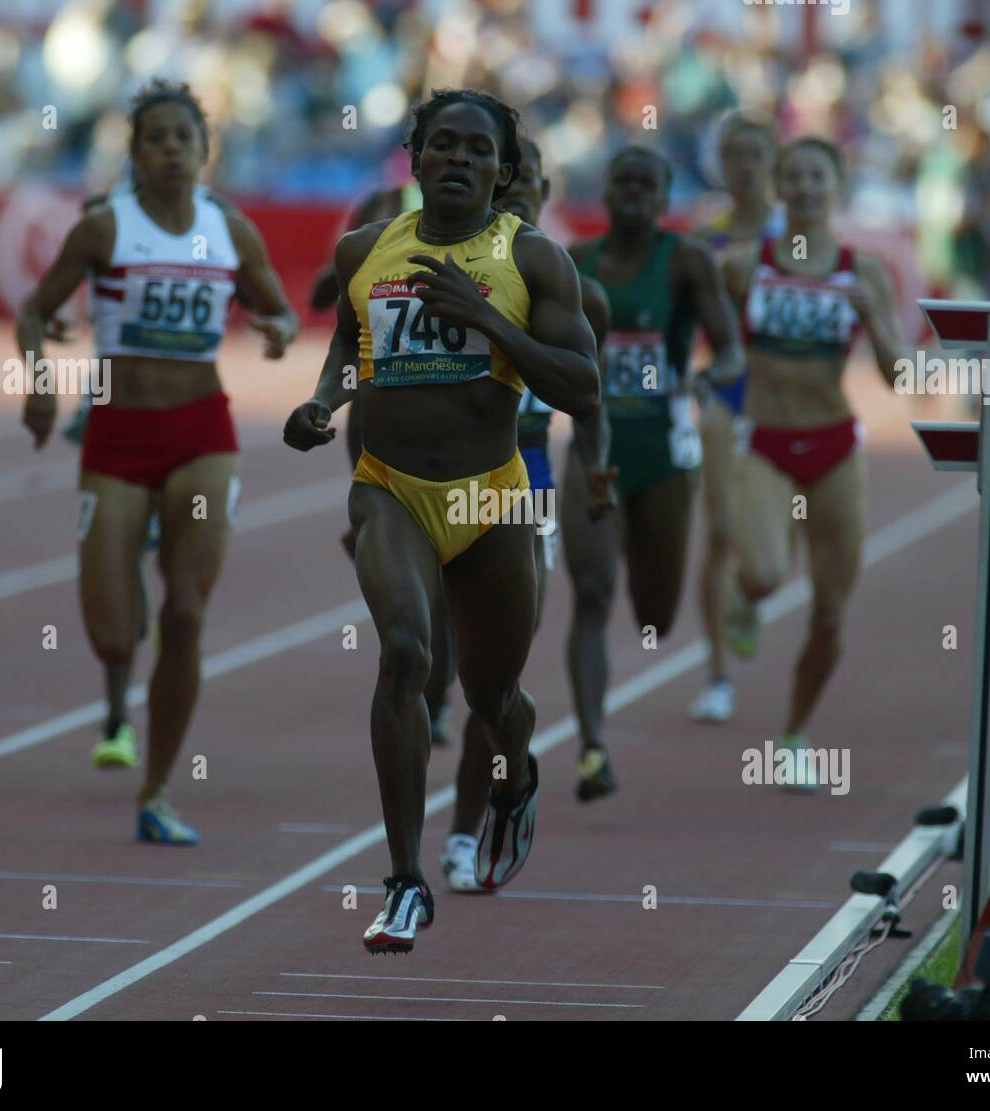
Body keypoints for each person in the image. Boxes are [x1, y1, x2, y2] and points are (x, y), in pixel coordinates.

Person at [285, 89, 600, 952]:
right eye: (444, 145)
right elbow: (349, 351)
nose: (460, 159)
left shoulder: (534, 260)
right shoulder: (364, 249)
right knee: (409, 657)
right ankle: (405, 879)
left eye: (478, 150)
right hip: (387, 486)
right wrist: (320, 406)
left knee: (493, 696)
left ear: (503, 173)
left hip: (489, 493)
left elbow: (582, 387)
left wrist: (486, 318)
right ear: (415, 159)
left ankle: (518, 764)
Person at [18, 79, 298, 841]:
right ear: (135, 155)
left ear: (206, 153)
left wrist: (277, 329)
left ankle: (159, 789)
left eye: (186, 138)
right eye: (157, 139)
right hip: (116, 434)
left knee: (185, 611)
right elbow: (35, 311)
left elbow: (279, 308)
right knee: (114, 631)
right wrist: (40, 387)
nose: (173, 150)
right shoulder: (106, 229)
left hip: (203, 432)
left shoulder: (230, 231)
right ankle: (121, 699)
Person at [439, 137, 614, 892]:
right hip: (428, 477)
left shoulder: (566, 282)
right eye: (501, 182)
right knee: (417, 663)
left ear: (545, 191)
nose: (512, 195)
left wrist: (599, 463)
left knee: (490, 678)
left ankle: (461, 830)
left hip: (523, 483)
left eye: (526, 184)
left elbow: (590, 393)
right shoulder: (430, 266)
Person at [723, 137, 905, 789]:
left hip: (834, 445)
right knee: (767, 573)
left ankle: (794, 734)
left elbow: (900, 376)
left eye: (815, 177)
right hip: (767, 440)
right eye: (792, 177)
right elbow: (706, 337)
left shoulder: (865, 271)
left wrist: (875, 325)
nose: (803, 188)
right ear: (778, 187)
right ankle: (745, 598)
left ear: (837, 184)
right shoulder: (746, 266)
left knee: (830, 611)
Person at [563, 146, 742, 802]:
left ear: (665, 197)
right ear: (605, 190)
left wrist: (703, 379)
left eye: (648, 183)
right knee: (590, 592)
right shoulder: (576, 263)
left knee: (656, 615)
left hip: (665, 453)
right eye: (623, 181)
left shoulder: (686, 260)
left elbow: (728, 352)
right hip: (594, 452)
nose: (634, 192)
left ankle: (655, 585)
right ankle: (591, 747)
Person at [307, 180, 464, 749]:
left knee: (446, 581)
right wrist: (347, 267)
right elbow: (327, 299)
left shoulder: (487, 225)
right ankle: (374, 528)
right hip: (378, 417)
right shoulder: (377, 211)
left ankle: (438, 696)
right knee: (412, 568)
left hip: (459, 431)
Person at [688, 114, 786, 723]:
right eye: (735, 155)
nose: (745, 166)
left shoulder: (795, 232)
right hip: (726, 394)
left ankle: (753, 596)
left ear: (771, 161)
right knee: (720, 534)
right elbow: (686, 317)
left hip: (786, 400)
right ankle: (717, 676)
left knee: (769, 551)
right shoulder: (705, 237)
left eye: (756, 154)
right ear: (721, 165)